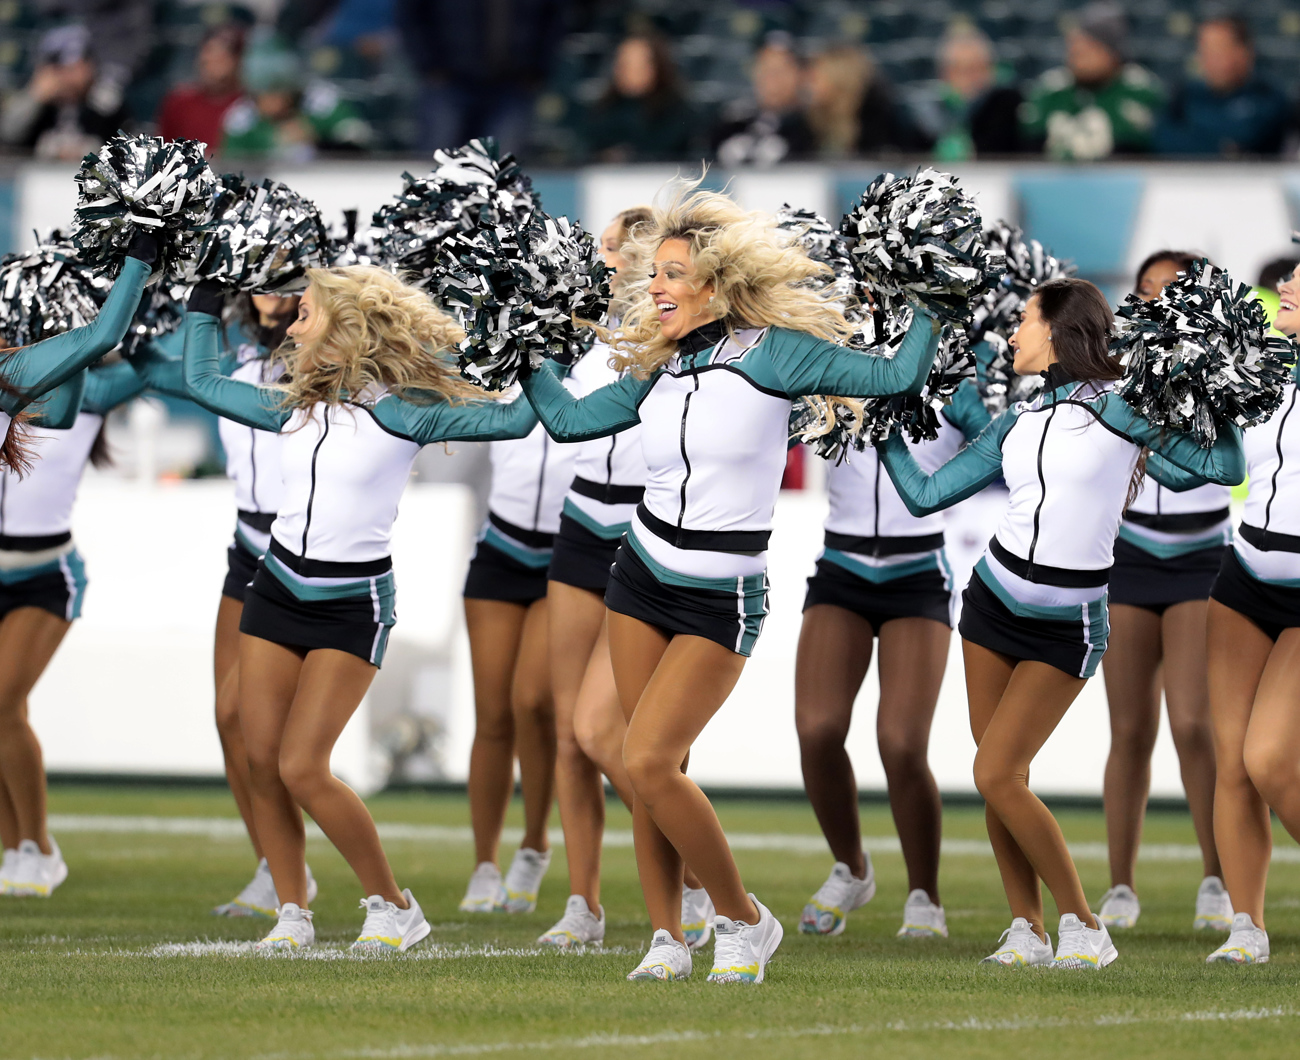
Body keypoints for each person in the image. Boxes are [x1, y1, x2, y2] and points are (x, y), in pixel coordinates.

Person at [520, 182, 943, 983]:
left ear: (713, 286)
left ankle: (743, 918)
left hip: (720, 593)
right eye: (656, 275)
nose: (655, 287)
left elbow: (894, 378)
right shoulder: (662, 361)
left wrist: (928, 292)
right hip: (638, 573)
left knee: (648, 760)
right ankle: (668, 938)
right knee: (633, 756)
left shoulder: (773, 351)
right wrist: (523, 352)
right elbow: (573, 421)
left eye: (673, 275)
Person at [174, 266, 546, 952]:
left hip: (352, 603)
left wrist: (533, 343)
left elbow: (517, 416)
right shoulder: (291, 404)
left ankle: (393, 903)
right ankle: (293, 910)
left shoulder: (399, 409)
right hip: (276, 588)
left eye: (309, 312)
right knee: (260, 758)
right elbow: (201, 382)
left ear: (347, 327)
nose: (294, 322)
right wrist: (204, 296)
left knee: (302, 766)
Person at [876, 277, 1244, 970]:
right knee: (998, 775)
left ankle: (1083, 923)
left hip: (1068, 621)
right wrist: (879, 428)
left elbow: (1219, 469)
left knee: (997, 773)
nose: (1013, 333)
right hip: (990, 605)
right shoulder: (1016, 420)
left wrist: (1214, 396)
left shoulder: (1120, 409)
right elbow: (925, 496)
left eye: (1023, 320)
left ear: (1058, 330)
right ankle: (1027, 928)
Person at [534, 206, 713, 950]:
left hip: (640, 532)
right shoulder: (582, 332)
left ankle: (702, 884)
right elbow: (562, 418)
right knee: (568, 733)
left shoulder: (666, 343)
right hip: (581, 528)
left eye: (612, 249)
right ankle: (584, 903)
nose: (598, 258)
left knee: (614, 735)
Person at [132, 292, 320, 918]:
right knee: (227, 716)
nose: (268, 291)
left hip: (301, 551)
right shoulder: (233, 358)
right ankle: (272, 863)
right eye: (256, 278)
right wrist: (129, 331)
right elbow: (165, 372)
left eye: (280, 277)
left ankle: (289, 870)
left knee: (260, 723)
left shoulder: (320, 350)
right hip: (246, 547)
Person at [795, 379, 989, 941]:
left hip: (919, 573)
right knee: (817, 728)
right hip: (841, 565)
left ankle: (924, 895)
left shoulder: (954, 376)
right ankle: (851, 867)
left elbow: (1000, 444)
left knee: (901, 743)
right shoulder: (831, 364)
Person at [0, 237, 156, 895]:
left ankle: (38, 844)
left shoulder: (79, 382)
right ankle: (17, 849)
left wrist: (152, 264)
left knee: (2, 701)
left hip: (44, 572)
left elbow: (115, 342)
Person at [1096, 251, 1231, 933]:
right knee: (1130, 729)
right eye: (1145, 290)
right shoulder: (1120, 368)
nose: (1156, 300)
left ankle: (1217, 874)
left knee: (1193, 724)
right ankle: (1121, 884)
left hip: (1200, 560)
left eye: (1171, 290)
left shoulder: (1229, 369)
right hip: (1127, 559)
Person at [1200, 263, 1300, 965]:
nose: (1285, 288)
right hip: (1244, 577)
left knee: (1270, 760)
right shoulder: (1258, 370)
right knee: (1231, 765)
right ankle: (1247, 927)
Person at [456, 369, 579, 916]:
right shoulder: (512, 349)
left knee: (534, 700)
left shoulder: (609, 356)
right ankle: (485, 863)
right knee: (493, 714)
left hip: (569, 551)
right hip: (502, 546)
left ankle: (533, 845)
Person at [395, 0, 566, 157]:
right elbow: (411, 17)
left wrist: (538, 69)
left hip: (514, 85)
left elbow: (554, 21)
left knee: (502, 166)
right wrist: (429, 66)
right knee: (437, 161)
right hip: (449, 82)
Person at [1019, 2, 1163, 161]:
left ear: (1112, 53)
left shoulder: (1141, 91)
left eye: (1088, 48)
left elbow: (1146, 149)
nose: (1077, 56)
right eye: (1074, 48)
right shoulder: (1050, 91)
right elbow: (1029, 145)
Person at [1155, 17, 1290, 158]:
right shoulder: (1186, 94)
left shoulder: (1267, 95)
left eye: (1218, 50)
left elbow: (1247, 136)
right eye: (1204, 50)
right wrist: (1222, 147)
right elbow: (1162, 140)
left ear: (1243, 52)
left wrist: (1192, 133)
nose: (1208, 60)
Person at [0, 24, 130, 161]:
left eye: (75, 67)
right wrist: (34, 98)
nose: (67, 77)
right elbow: (8, 137)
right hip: (39, 178)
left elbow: (129, 150)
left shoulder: (105, 105)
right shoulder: (36, 105)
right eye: (58, 68)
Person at [907, 25, 1023, 160]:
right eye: (960, 70)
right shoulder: (925, 116)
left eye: (978, 68)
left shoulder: (1006, 108)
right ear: (944, 74)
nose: (971, 78)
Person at [581, 34, 693, 164]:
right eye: (624, 64)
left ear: (658, 66)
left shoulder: (678, 113)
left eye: (638, 64)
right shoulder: (601, 111)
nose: (629, 71)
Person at [712, 33, 815, 168]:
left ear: (800, 74)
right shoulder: (730, 121)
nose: (773, 79)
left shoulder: (813, 124)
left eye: (782, 70)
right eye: (766, 69)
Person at [157, 24, 247, 154]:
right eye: (206, 62)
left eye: (220, 61)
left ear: (237, 61)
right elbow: (163, 154)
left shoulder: (251, 106)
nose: (211, 70)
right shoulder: (178, 103)